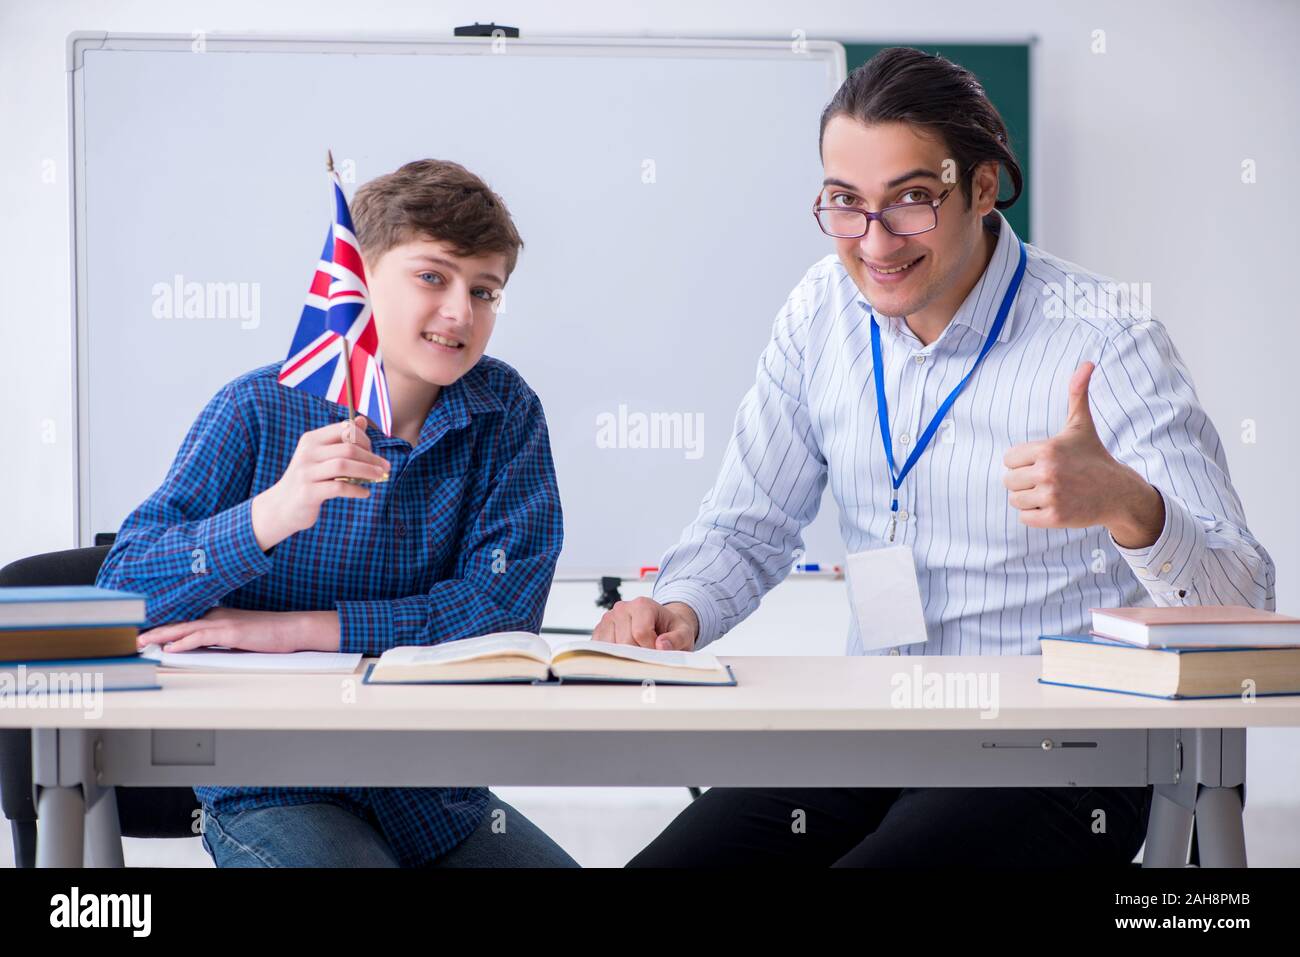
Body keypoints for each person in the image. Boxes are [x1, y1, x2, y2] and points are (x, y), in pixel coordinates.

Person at [594, 48, 1275, 867]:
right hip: (874, 723)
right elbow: (749, 524)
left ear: (982, 188)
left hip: (1061, 753)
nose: (873, 242)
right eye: (846, 203)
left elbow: (1248, 595)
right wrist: (682, 607)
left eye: (911, 200)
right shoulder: (820, 313)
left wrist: (1131, 506)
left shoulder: (1105, 338)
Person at [96, 159, 576, 867]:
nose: (460, 314)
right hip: (275, 786)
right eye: (432, 277)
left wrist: (294, 630)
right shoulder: (257, 408)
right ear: (361, 272)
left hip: (434, 796)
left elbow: (501, 615)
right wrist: (271, 513)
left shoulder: (506, 413)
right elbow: (117, 594)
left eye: (485, 291)